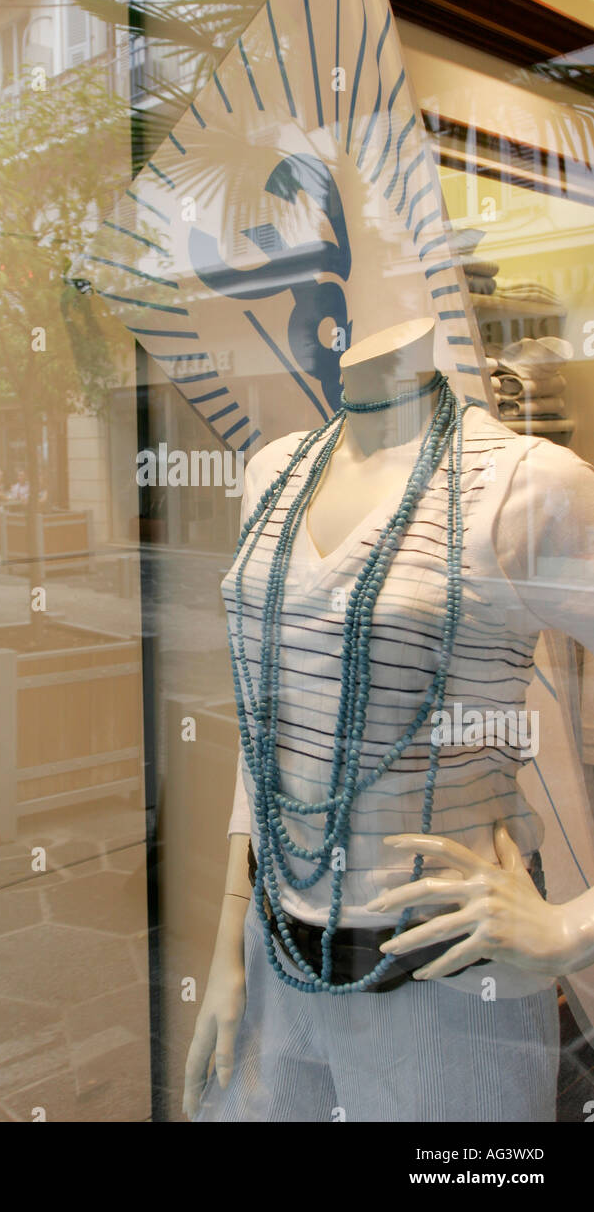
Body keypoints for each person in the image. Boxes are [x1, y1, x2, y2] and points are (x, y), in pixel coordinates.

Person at [186, 319, 594, 1125]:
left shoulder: (524, 486)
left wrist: (569, 928)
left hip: (447, 985)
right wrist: (228, 938)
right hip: (276, 960)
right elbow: (271, 723)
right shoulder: (274, 471)